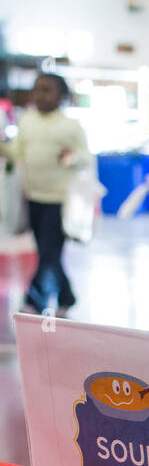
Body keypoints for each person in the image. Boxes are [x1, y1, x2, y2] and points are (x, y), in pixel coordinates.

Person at [3, 74, 90, 316]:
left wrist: (71, 157)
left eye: (47, 90)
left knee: (50, 252)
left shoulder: (70, 126)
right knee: (47, 253)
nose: (40, 95)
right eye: (37, 90)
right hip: (33, 197)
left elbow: (86, 158)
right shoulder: (28, 121)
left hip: (60, 201)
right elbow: (16, 152)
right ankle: (67, 296)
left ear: (62, 96)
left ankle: (35, 300)